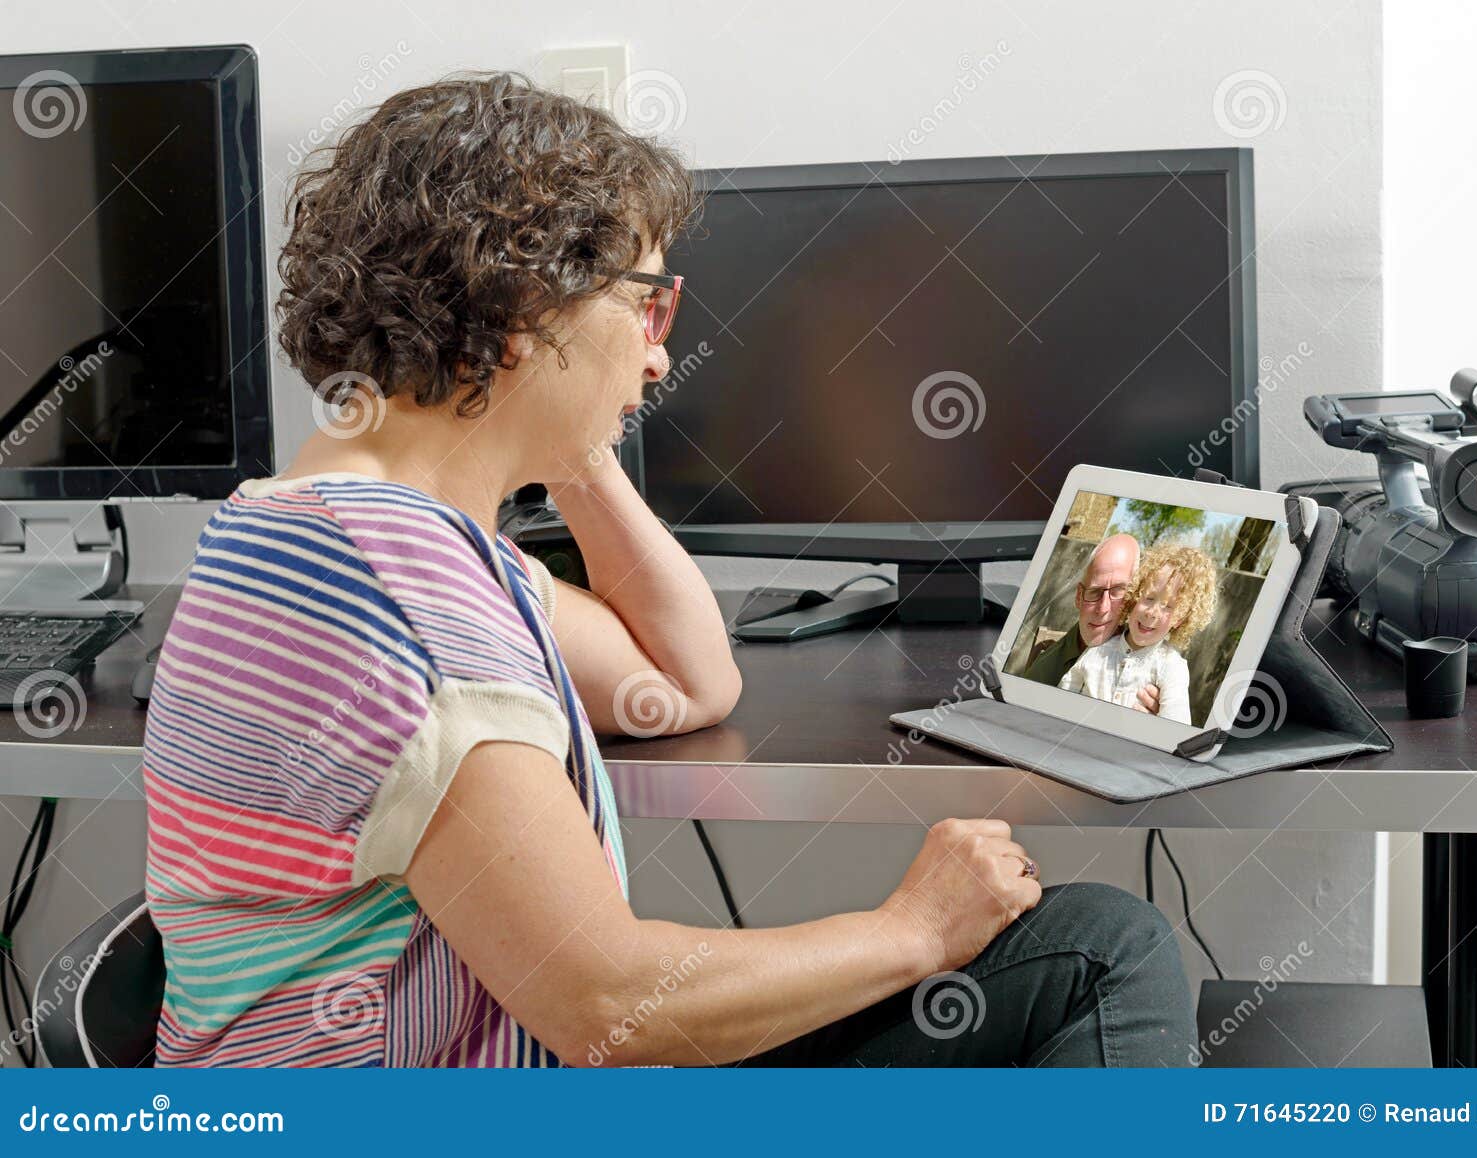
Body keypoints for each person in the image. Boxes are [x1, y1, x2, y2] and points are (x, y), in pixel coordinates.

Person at [139, 73, 1195, 1068]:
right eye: (646, 305)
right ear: (525, 307)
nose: (658, 356)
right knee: (1100, 954)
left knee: (1095, 939)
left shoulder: (312, 525)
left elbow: (688, 683)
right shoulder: (416, 608)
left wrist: (561, 431)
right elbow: (606, 1010)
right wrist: (911, 932)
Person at [1061, 543, 1218, 725]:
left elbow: (1174, 725)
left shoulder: (1171, 667)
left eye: (1168, 607)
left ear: (1180, 620)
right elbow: (1063, 693)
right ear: (1135, 596)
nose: (1152, 612)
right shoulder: (1099, 650)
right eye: (1149, 598)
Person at [1020, 533, 1161, 715]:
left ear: (1134, 598)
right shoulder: (1045, 672)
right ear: (1079, 596)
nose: (1103, 608)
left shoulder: (1155, 666)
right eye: (1095, 592)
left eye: (1118, 591)